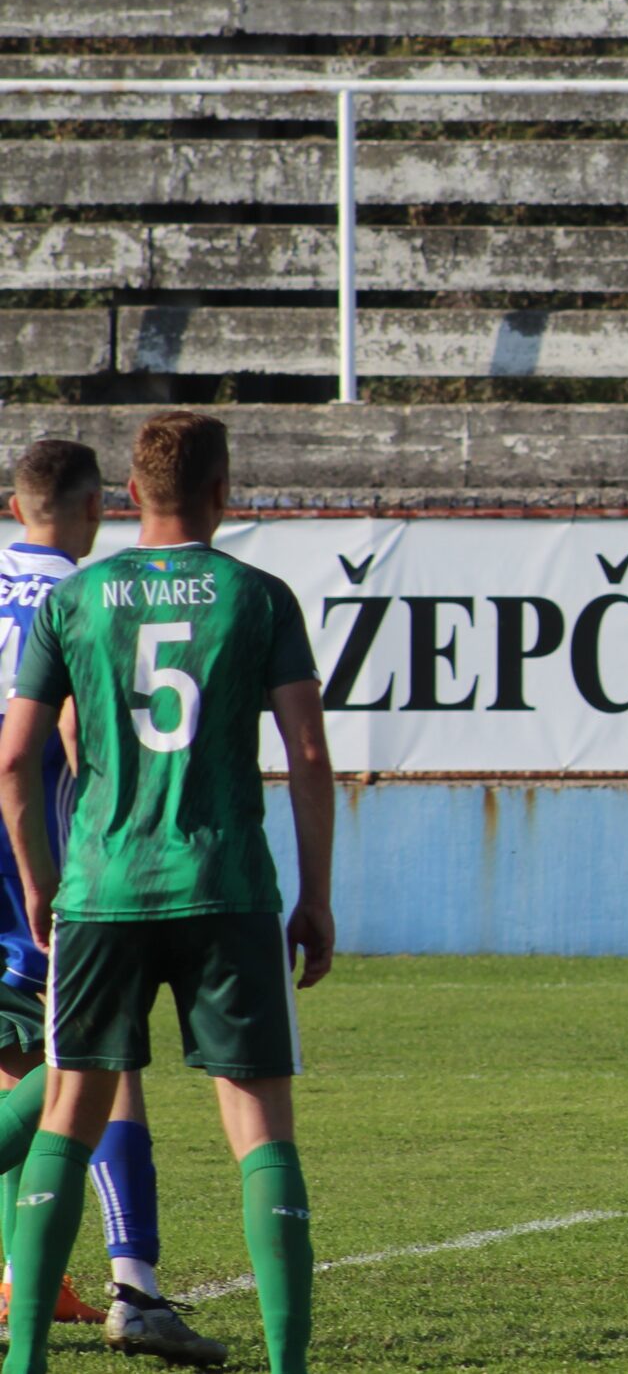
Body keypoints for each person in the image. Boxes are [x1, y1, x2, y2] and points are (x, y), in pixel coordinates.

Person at [0, 411, 336, 1374]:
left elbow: (16, 758)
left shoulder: (80, 597)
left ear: (131, 495)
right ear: (223, 492)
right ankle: (289, 1362)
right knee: (260, 1124)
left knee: (69, 1110)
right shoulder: (258, 596)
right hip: (226, 883)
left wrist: (42, 882)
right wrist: (316, 896)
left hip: (103, 887)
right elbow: (309, 754)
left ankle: (24, 1359)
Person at [0, 442, 215, 1364]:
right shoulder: (85, 597)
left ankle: (27, 1275)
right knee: (102, 1055)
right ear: (96, 508)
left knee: (21, 1058)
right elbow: (73, 736)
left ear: (16, 504)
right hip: (33, 851)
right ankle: (138, 1284)